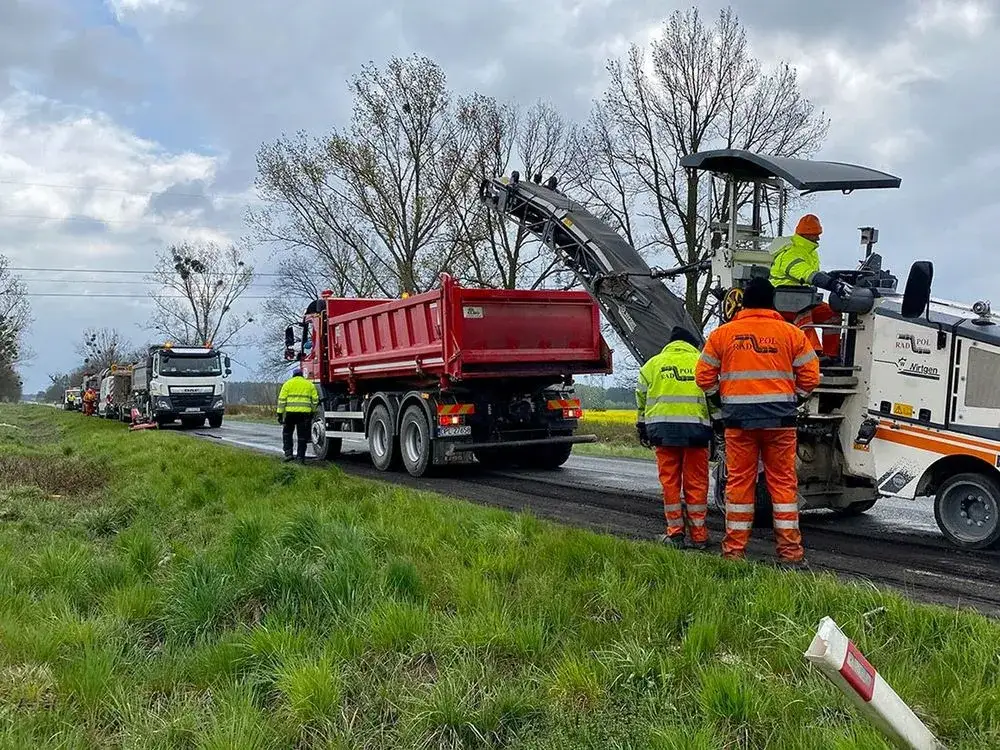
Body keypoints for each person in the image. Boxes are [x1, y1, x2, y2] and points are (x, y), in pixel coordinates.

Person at [695, 277, 821, 565]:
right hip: (780, 422)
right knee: (784, 485)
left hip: (739, 423)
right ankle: (790, 553)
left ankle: (734, 552)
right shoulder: (791, 334)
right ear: (773, 302)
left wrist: (720, 400)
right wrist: (795, 399)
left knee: (739, 484)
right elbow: (811, 377)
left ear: (743, 303)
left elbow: (703, 377)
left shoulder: (722, 335)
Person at [636, 326, 714, 549]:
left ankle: (675, 534)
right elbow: (713, 397)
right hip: (696, 433)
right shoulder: (702, 362)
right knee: (697, 483)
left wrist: (642, 426)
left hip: (663, 432)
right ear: (691, 344)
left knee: (670, 483)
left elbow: (641, 398)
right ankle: (699, 537)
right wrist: (718, 424)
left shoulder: (652, 365)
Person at [769, 213, 849, 360]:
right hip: (783, 301)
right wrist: (832, 284)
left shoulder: (810, 252)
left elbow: (814, 274)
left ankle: (831, 355)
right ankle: (811, 356)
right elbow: (807, 274)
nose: (818, 238)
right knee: (804, 316)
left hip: (803, 299)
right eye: (816, 235)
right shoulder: (790, 254)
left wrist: (834, 278)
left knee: (832, 314)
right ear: (808, 235)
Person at [277, 367, 319, 463]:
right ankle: (300, 457)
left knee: (287, 434)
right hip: (304, 414)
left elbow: (282, 400)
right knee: (302, 437)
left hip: (290, 414)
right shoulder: (309, 384)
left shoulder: (287, 384)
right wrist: (312, 411)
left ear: (293, 375)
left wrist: (279, 414)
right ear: (302, 375)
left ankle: (288, 454)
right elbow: (315, 400)